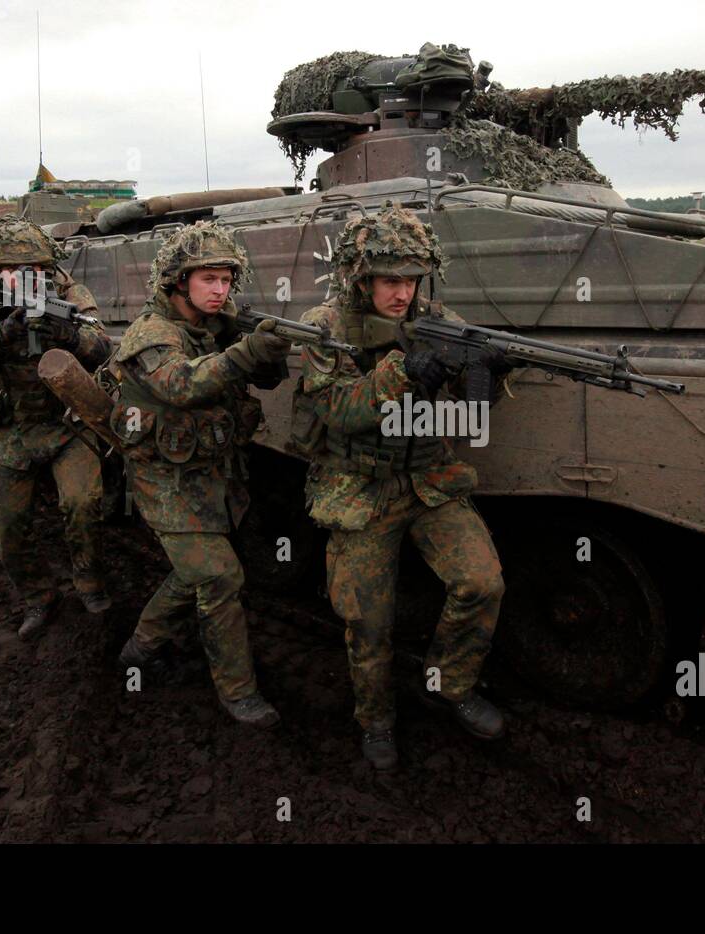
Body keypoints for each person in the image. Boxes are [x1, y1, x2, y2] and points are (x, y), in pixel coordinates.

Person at [293, 205, 508, 770]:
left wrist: (489, 369)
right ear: (362, 279)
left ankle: (449, 683)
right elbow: (338, 411)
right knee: (367, 619)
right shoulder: (326, 327)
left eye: (412, 281)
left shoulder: (435, 317)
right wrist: (402, 372)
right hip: (358, 487)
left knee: (481, 582)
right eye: (391, 281)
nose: (403, 293)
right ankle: (375, 719)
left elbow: (472, 410)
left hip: (430, 481)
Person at [107, 221, 290, 729]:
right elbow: (181, 385)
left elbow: (257, 374)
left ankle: (140, 647)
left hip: (210, 472)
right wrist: (243, 353)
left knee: (194, 570)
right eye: (208, 278)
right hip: (163, 480)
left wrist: (264, 355)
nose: (220, 290)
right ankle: (239, 692)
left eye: (227, 280)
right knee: (219, 575)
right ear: (176, 281)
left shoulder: (216, 326)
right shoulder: (152, 335)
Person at [0, 215, 112, 638]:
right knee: (4, 519)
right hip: (12, 427)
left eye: (38, 269)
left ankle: (91, 582)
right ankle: (38, 597)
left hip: (67, 424)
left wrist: (70, 334)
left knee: (84, 504)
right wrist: (3, 333)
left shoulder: (70, 294)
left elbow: (103, 350)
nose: (26, 277)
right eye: (12, 269)